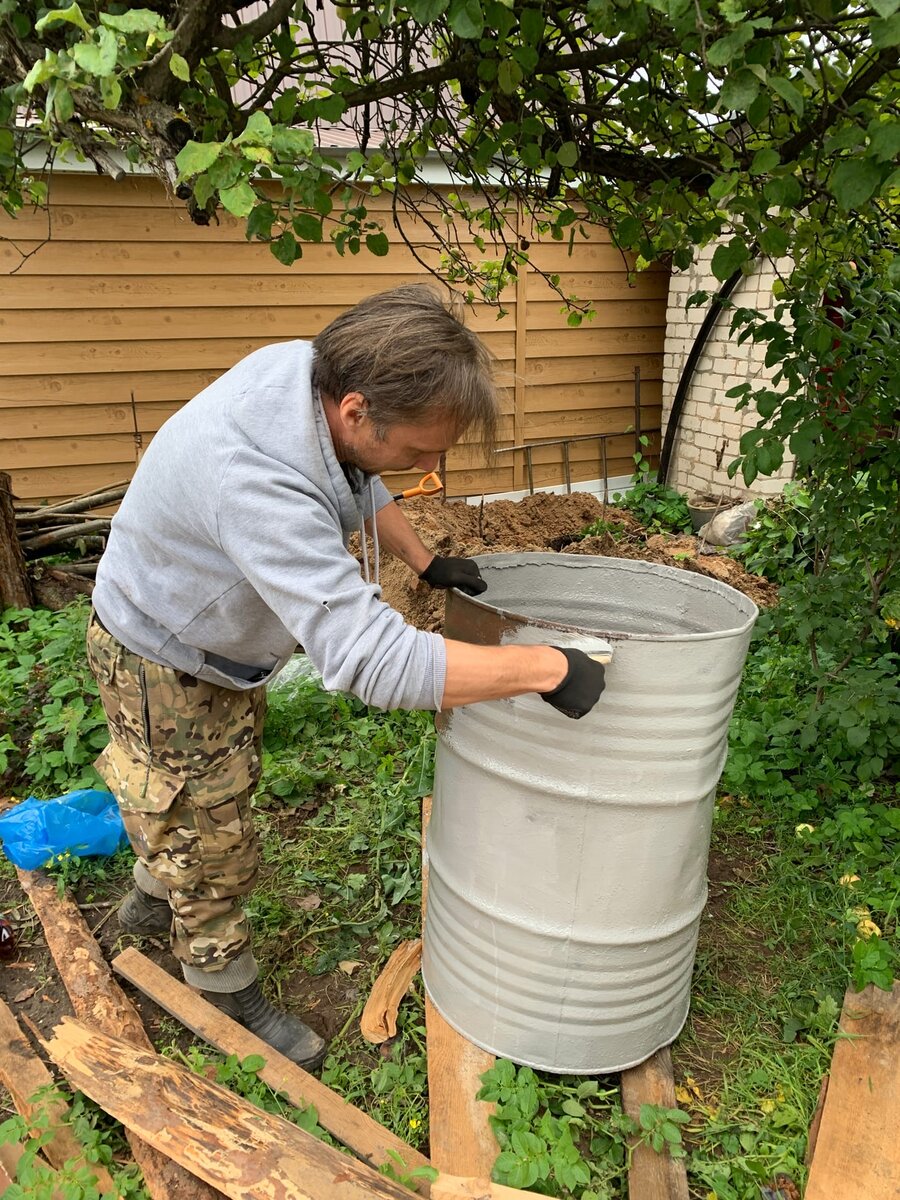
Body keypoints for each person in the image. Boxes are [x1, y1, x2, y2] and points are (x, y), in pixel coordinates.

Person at [87, 285, 606, 1072]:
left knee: (195, 796)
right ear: (358, 410)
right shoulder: (254, 480)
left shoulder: (310, 380)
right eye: (423, 452)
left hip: (204, 639)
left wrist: (424, 560)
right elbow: (374, 661)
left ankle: (155, 897)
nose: (430, 469)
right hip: (164, 653)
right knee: (205, 817)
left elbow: (357, 482)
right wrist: (546, 667)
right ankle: (218, 983)